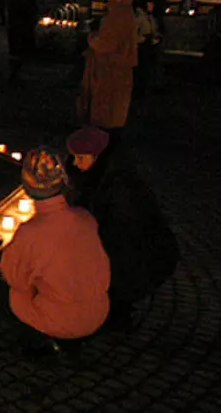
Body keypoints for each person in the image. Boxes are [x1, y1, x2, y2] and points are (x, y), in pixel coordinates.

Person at [0, 147, 110, 352]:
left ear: (27, 186)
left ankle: (41, 342)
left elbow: (16, 280)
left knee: (6, 291)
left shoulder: (30, 232)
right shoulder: (84, 217)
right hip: (99, 311)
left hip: (62, 320)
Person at [64, 126, 178, 331]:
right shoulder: (100, 175)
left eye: (80, 157)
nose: (75, 163)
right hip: (126, 247)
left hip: (143, 254)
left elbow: (124, 237)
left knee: (107, 270)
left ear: (96, 156)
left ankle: (114, 312)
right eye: (73, 157)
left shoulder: (124, 189)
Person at [77, 0, 138, 143]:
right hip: (113, 70)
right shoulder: (121, 12)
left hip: (109, 71)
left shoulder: (118, 14)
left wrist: (92, 39)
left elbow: (108, 43)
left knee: (106, 111)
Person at [5, 0, 37, 83]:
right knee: (17, 49)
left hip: (25, 23)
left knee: (23, 48)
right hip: (18, 24)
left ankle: (21, 72)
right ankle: (15, 74)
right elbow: (14, 7)